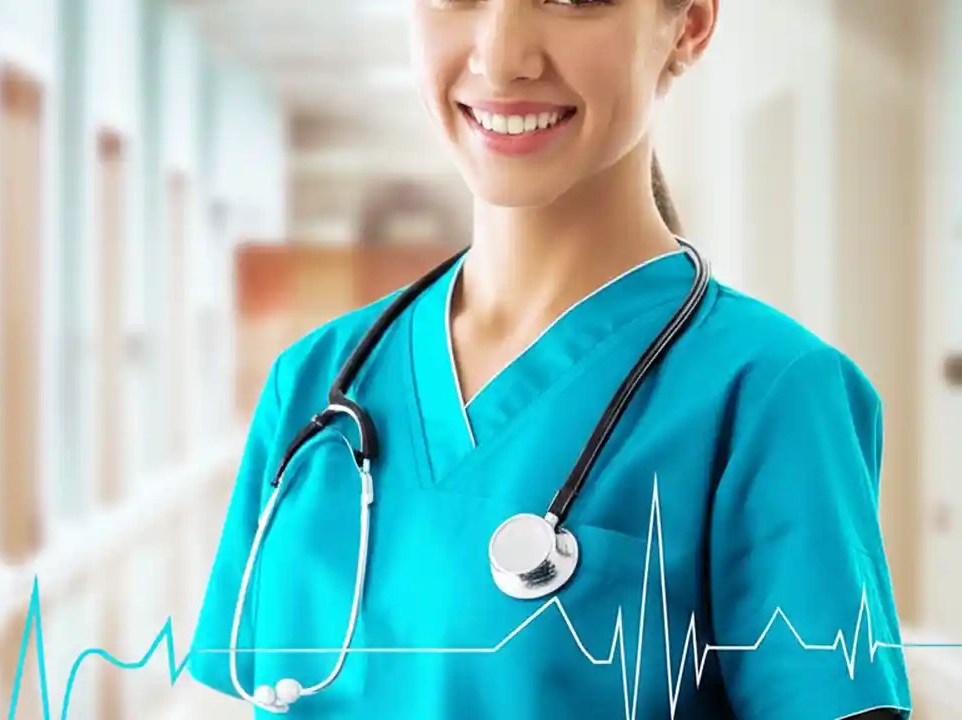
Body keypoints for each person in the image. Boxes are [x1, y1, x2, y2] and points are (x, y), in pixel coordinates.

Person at [187, 0, 912, 717]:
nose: (502, 57)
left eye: (572, 0)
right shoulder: (313, 383)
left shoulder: (771, 395)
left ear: (688, 24)